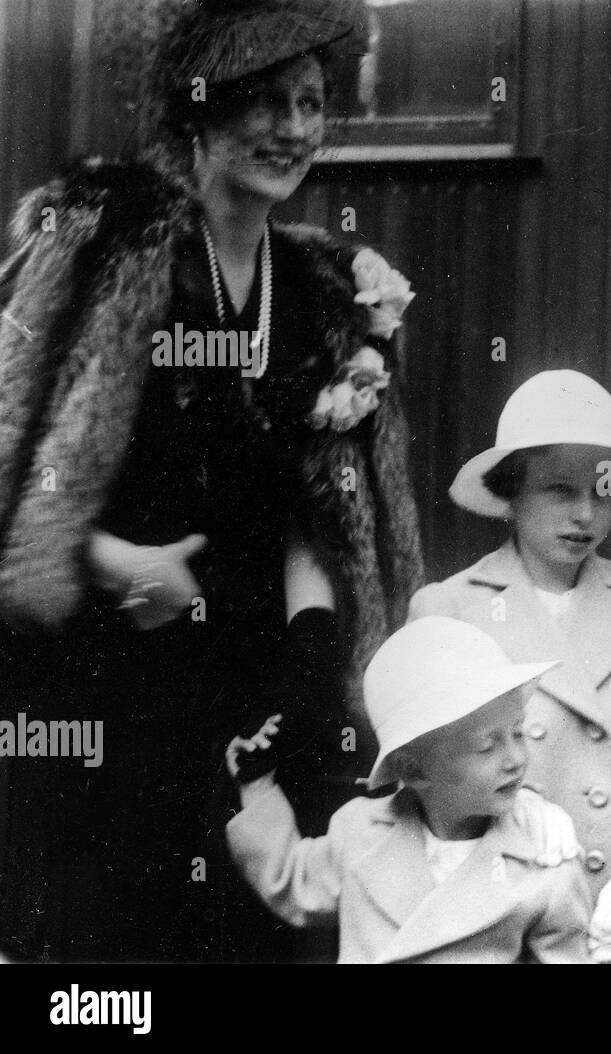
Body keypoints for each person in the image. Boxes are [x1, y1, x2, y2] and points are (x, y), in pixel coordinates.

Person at [0, 0, 425, 962]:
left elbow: (325, 507)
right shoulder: (107, 237)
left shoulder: (322, 286)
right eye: (264, 100)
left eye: (311, 101)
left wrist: (313, 649)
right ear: (197, 108)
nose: (294, 128)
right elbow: (14, 460)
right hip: (106, 685)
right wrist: (117, 565)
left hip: (258, 695)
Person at [407, 370, 611, 963]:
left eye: (603, 489)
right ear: (510, 493)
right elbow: (423, 775)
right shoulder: (449, 609)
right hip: (496, 920)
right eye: (559, 489)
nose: (585, 513)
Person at [225, 616, 593, 964]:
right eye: (487, 746)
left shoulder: (545, 861)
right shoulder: (359, 835)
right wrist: (257, 786)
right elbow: (293, 882)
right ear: (413, 769)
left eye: (518, 733)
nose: (515, 759)